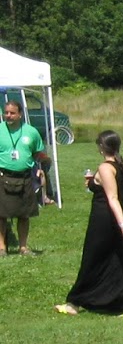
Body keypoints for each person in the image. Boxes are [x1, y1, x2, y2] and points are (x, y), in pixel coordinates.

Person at [57, 130, 123, 316]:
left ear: (102, 147)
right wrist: (93, 183)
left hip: (107, 220)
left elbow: (112, 198)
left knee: (92, 260)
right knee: (122, 261)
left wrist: (121, 225)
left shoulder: (105, 167)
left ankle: (74, 303)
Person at [1, 98, 52, 255]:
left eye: (12, 113)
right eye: (6, 112)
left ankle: (23, 247)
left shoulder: (31, 132)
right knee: (1, 214)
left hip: (25, 177)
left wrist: (42, 167)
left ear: (20, 114)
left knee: (24, 214)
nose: (8, 115)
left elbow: (38, 154)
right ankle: (1, 248)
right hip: (3, 176)